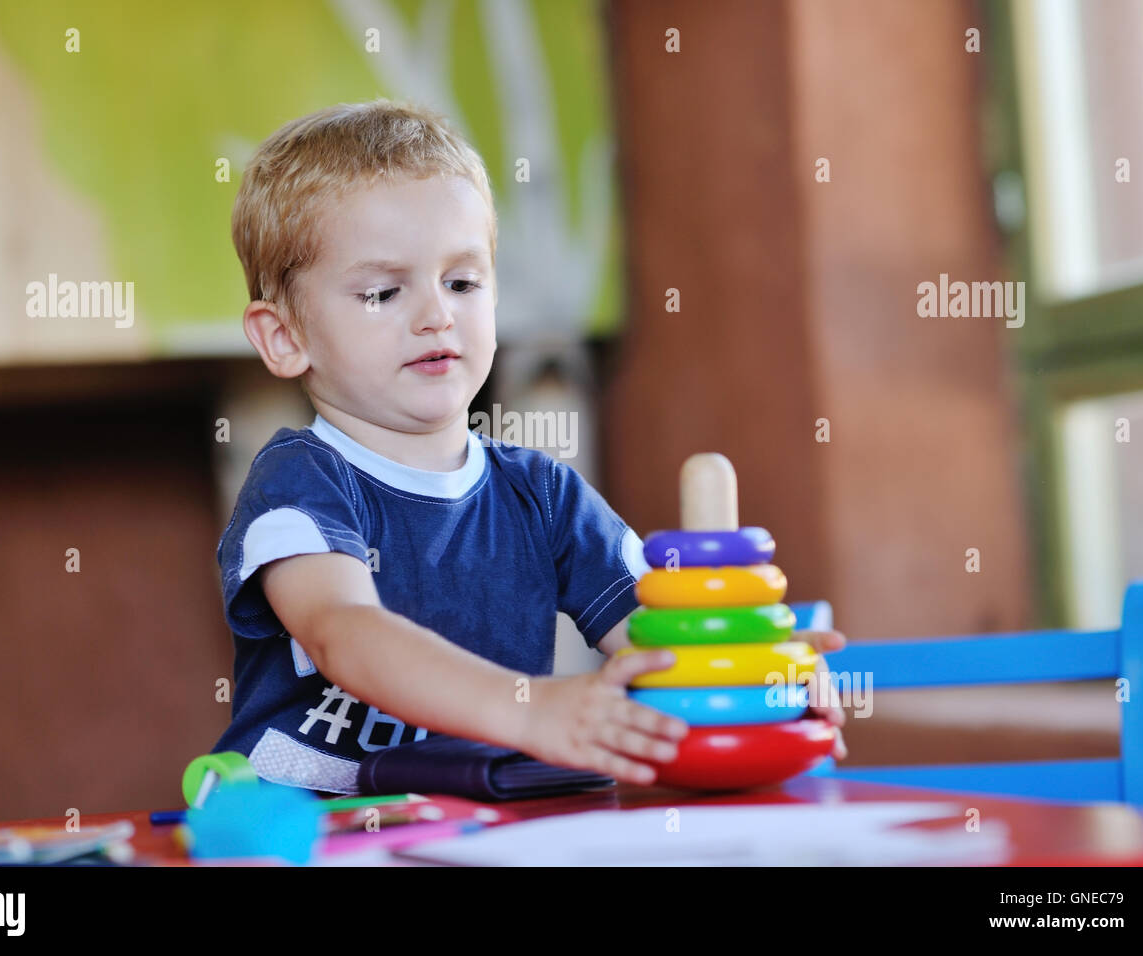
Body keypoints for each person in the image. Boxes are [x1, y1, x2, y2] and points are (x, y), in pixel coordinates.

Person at [212, 99, 846, 794]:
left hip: (483, 816)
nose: (435, 315)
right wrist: (532, 707)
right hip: (311, 819)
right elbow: (345, 632)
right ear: (284, 336)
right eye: (382, 293)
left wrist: (754, 671)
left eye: (461, 282)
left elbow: (661, 643)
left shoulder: (542, 494)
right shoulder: (299, 482)